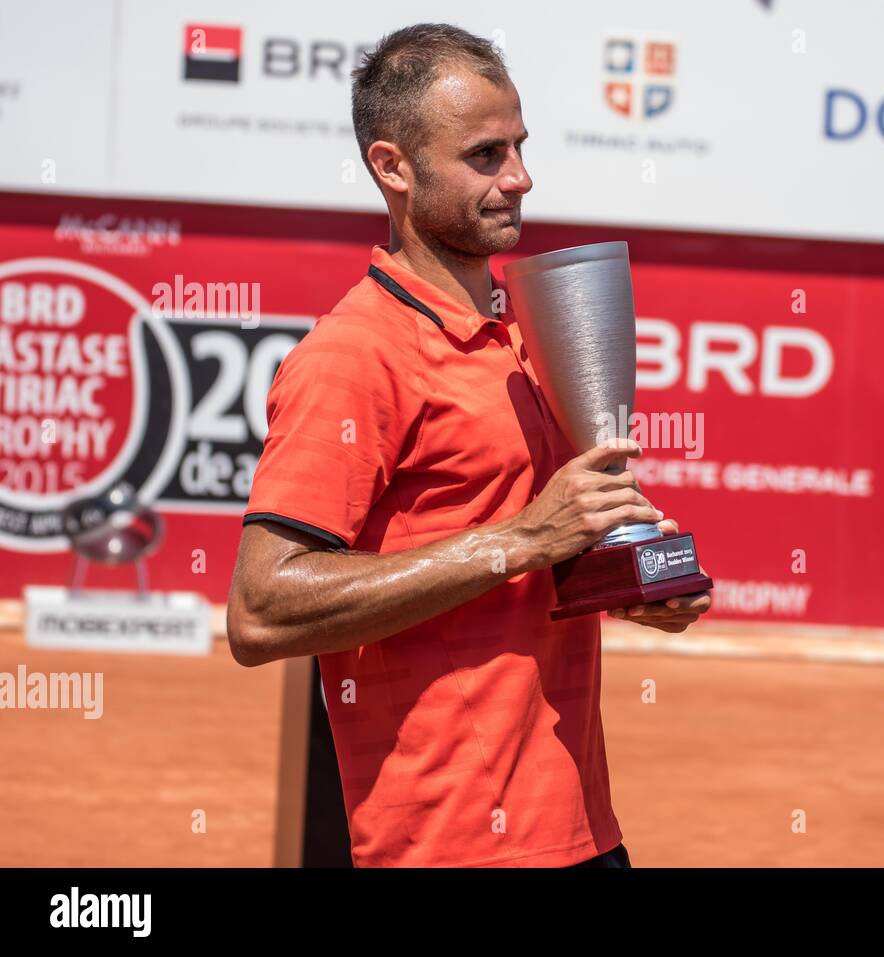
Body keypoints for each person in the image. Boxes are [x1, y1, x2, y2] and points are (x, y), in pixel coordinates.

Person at [226, 23, 712, 867]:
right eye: (486, 155)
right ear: (394, 168)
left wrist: (630, 579)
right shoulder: (352, 354)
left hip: (583, 831)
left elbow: (529, 567)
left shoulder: (524, 335)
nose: (520, 177)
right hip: (446, 847)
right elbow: (260, 611)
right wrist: (521, 538)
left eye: (520, 147)